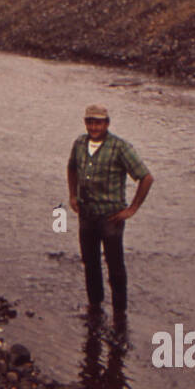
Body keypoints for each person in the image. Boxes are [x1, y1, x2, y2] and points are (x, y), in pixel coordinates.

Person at [66, 104, 153, 312]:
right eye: (90, 122)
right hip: (86, 215)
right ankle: (95, 308)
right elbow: (71, 168)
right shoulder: (79, 143)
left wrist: (131, 209)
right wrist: (72, 195)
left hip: (111, 218)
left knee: (115, 268)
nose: (94, 127)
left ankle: (120, 314)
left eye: (98, 122)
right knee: (90, 263)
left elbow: (146, 178)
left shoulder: (120, 147)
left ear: (107, 123)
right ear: (85, 123)